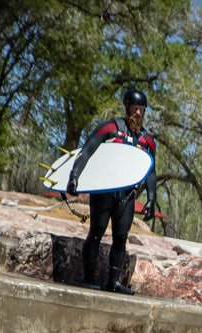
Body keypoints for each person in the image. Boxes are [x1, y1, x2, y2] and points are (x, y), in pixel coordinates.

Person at [67, 88, 158, 294]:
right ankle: (89, 278)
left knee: (121, 237)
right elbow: (87, 151)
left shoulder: (147, 141)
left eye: (141, 110)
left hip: (126, 196)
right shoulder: (110, 127)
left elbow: (151, 171)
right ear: (127, 107)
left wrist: (151, 198)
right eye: (135, 109)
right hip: (104, 191)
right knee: (96, 233)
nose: (138, 114)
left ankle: (114, 282)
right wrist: (74, 177)